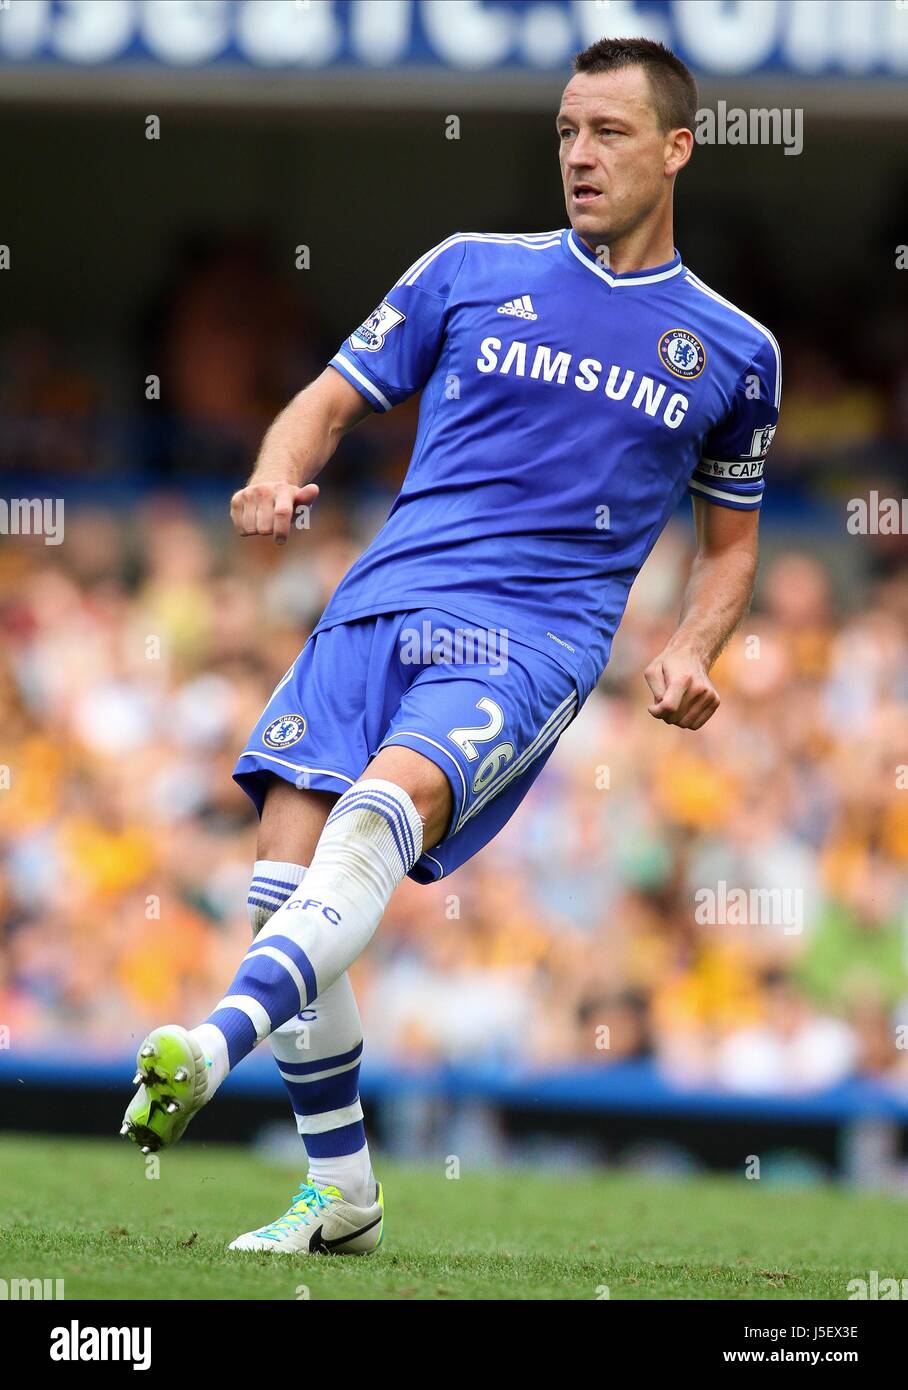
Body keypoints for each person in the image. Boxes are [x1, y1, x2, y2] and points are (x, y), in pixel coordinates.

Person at [121, 36, 781, 1256]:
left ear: (677, 148)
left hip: (530, 636)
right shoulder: (469, 269)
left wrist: (694, 647)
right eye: (566, 134)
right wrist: (275, 475)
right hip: (377, 602)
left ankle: (210, 1042)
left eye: (610, 134)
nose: (579, 157)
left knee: (376, 818)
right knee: (281, 880)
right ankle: (344, 1198)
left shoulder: (730, 350)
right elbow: (325, 399)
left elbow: (730, 550)